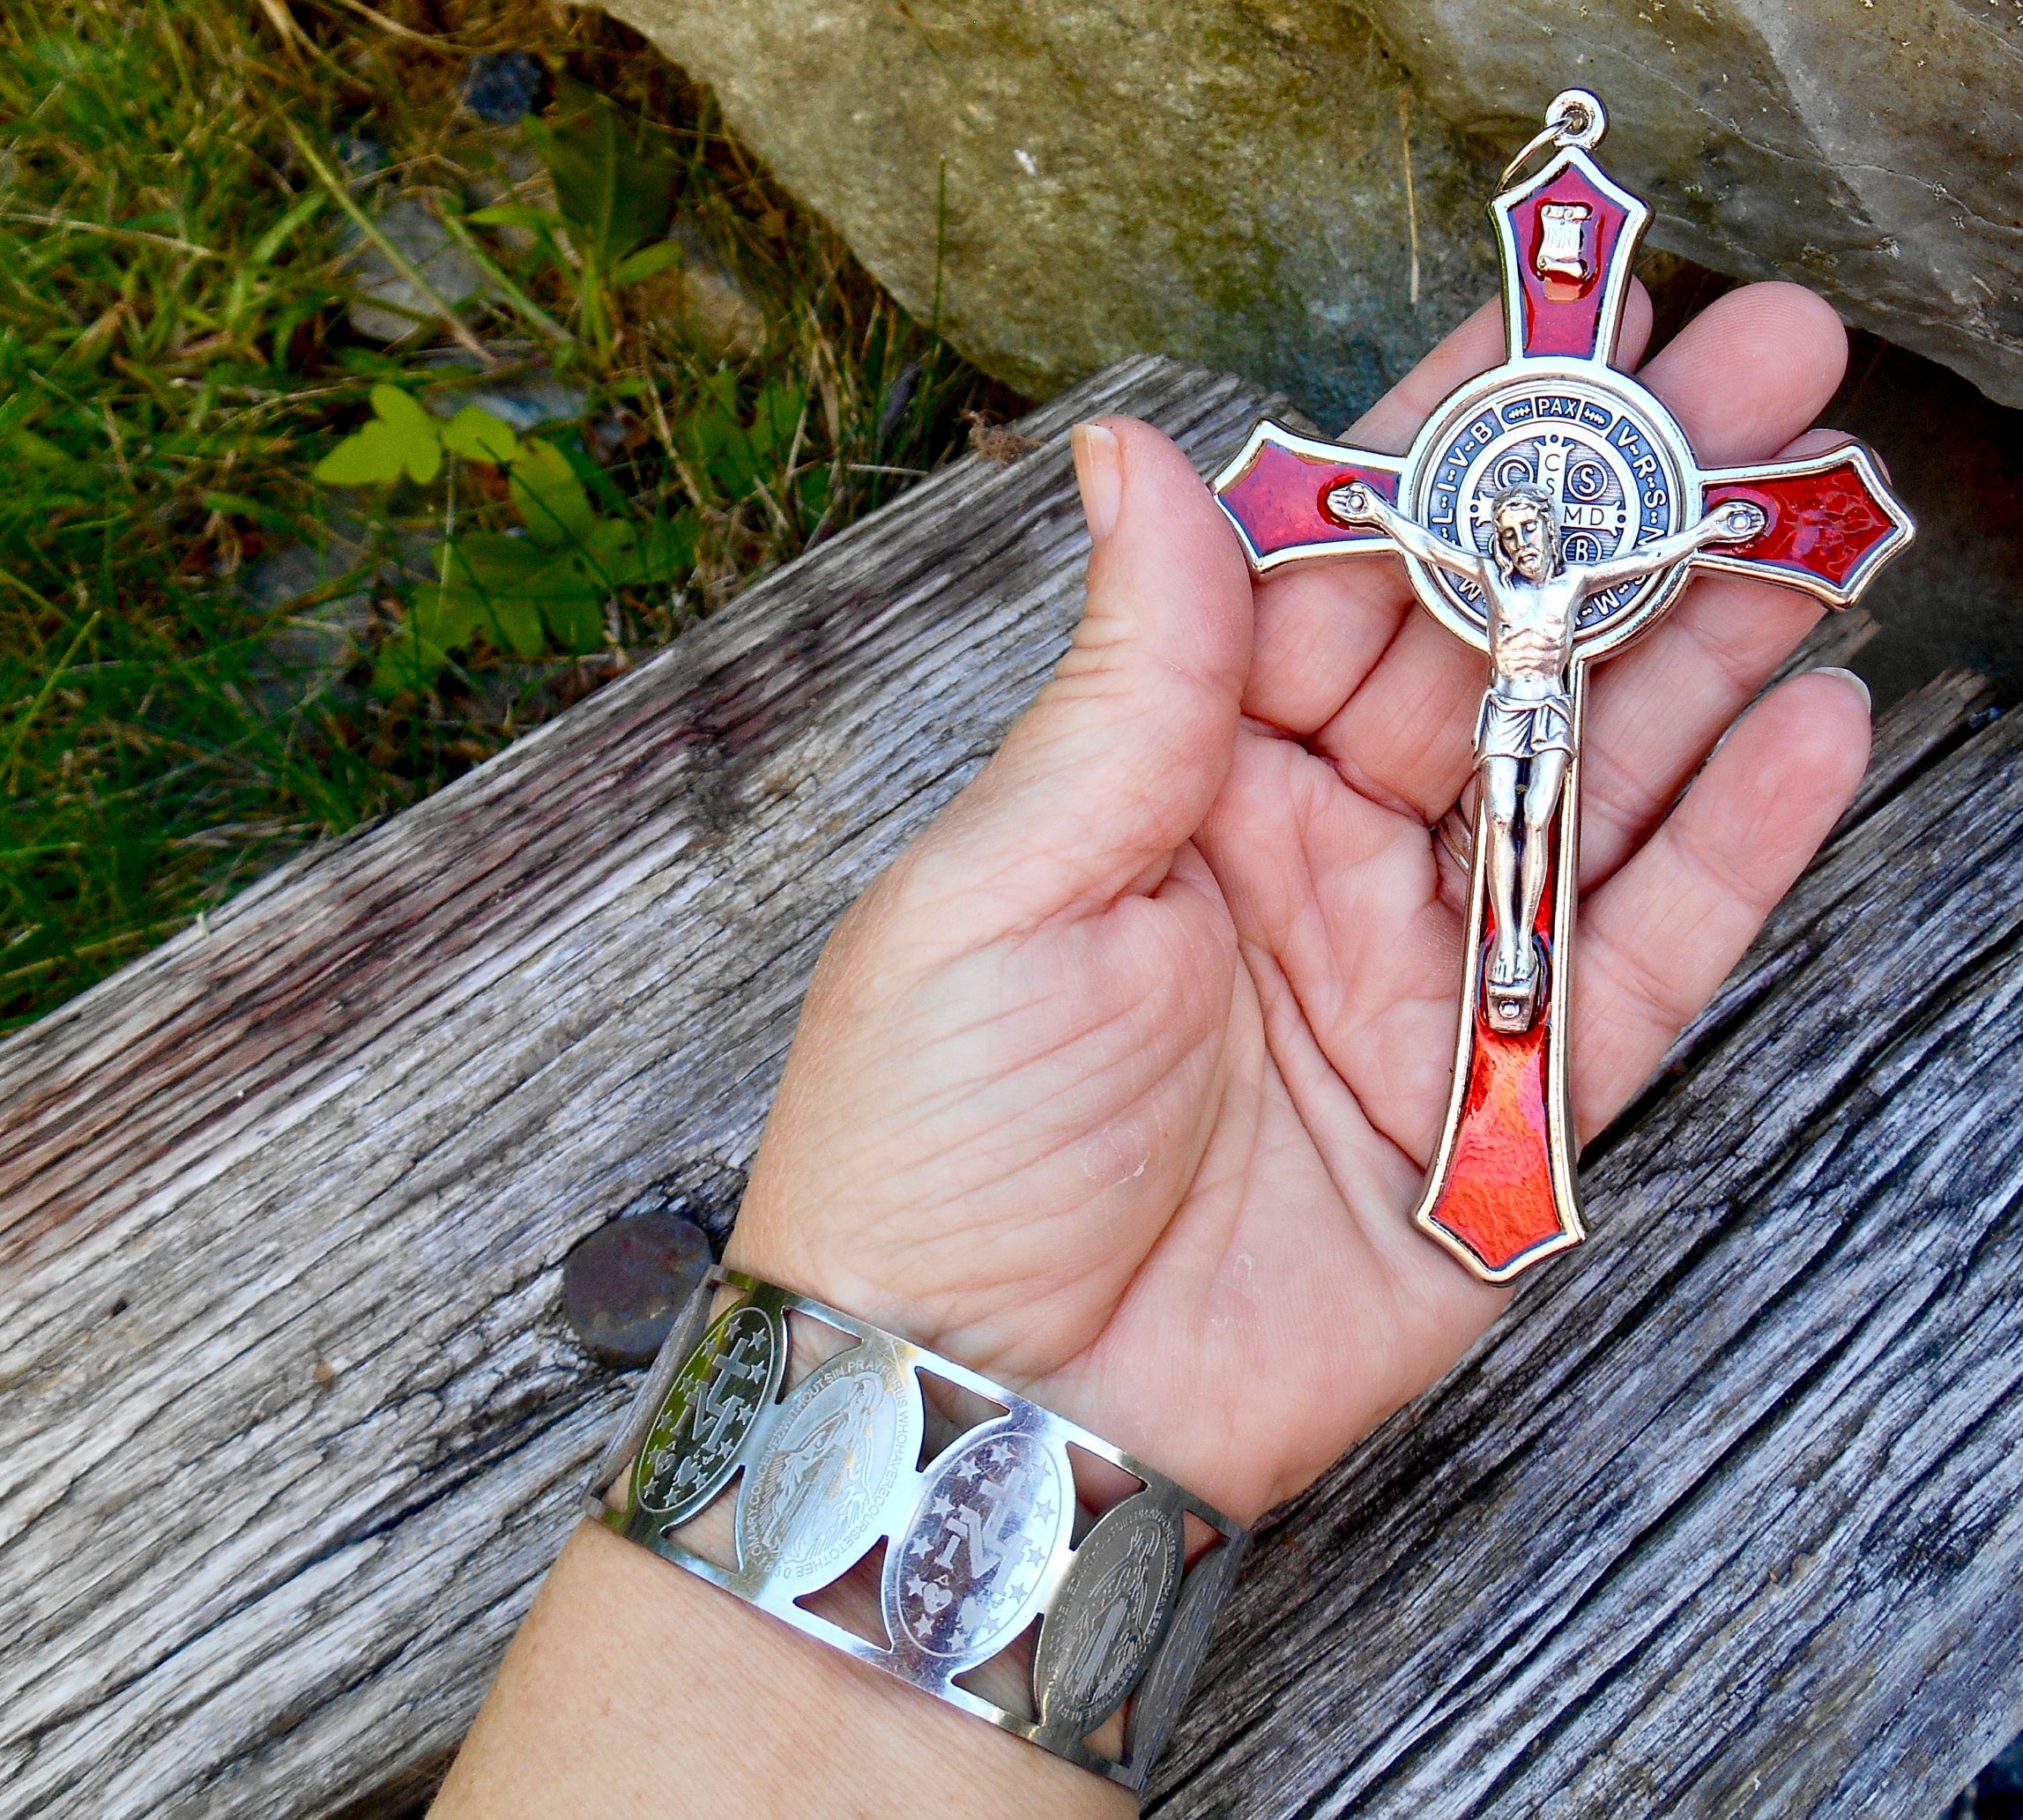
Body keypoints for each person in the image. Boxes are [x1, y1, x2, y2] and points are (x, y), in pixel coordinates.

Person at [429, 279, 1873, 1817]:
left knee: (1524, 952)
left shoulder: (1599, 567)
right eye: (1517, 530)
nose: (1532, 548)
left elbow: (1747, 525)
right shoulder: (1459, 549)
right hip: (1500, 766)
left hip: (1540, 759)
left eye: (1553, 537)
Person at [1324, 452, 1766, 1029]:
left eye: (1528, 529)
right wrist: (1378, 513)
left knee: (1538, 823)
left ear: (1550, 529)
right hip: (1505, 709)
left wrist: (1710, 530)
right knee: (1500, 815)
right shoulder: (1492, 580)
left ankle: (1524, 941)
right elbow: (1430, 548)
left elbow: (1648, 559)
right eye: (1508, 535)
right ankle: (1507, 940)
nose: (1518, 543)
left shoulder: (1574, 583)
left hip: (1551, 711)